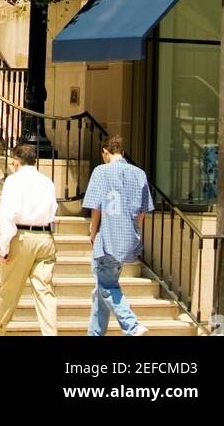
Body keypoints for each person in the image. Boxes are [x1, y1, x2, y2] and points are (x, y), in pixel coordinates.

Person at [83, 134, 154, 337]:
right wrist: (133, 232)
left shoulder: (101, 172)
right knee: (101, 290)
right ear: (121, 151)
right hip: (127, 239)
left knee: (106, 286)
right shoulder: (139, 173)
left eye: (102, 154)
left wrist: (93, 231)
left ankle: (132, 325)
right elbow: (143, 212)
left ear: (105, 152)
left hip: (107, 239)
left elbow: (96, 207)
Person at [0, 142, 59, 337]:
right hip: (46, 237)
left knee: (9, 293)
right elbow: (53, 211)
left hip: (22, 238)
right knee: (45, 294)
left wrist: (3, 248)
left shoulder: (13, 181)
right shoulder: (47, 182)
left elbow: (7, 216)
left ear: (16, 162)